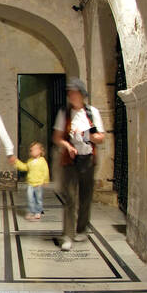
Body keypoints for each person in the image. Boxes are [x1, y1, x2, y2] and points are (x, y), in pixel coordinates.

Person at [52, 79, 104, 249]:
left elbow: (101, 137)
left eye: (74, 92)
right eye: (69, 92)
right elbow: (57, 137)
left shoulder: (92, 113)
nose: (71, 95)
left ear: (81, 94)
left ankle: (81, 229)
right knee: (69, 197)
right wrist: (67, 145)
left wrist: (86, 135)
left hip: (87, 158)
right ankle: (67, 235)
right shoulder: (64, 113)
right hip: (70, 160)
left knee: (85, 196)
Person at [15, 141, 50, 220]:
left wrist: (46, 180)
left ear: (40, 151)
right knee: (30, 198)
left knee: (38, 199)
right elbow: (25, 167)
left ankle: (38, 211)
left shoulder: (42, 161)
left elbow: (46, 171)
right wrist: (16, 162)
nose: (32, 151)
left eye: (35, 149)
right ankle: (32, 211)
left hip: (38, 184)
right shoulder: (30, 161)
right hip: (30, 183)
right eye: (31, 150)